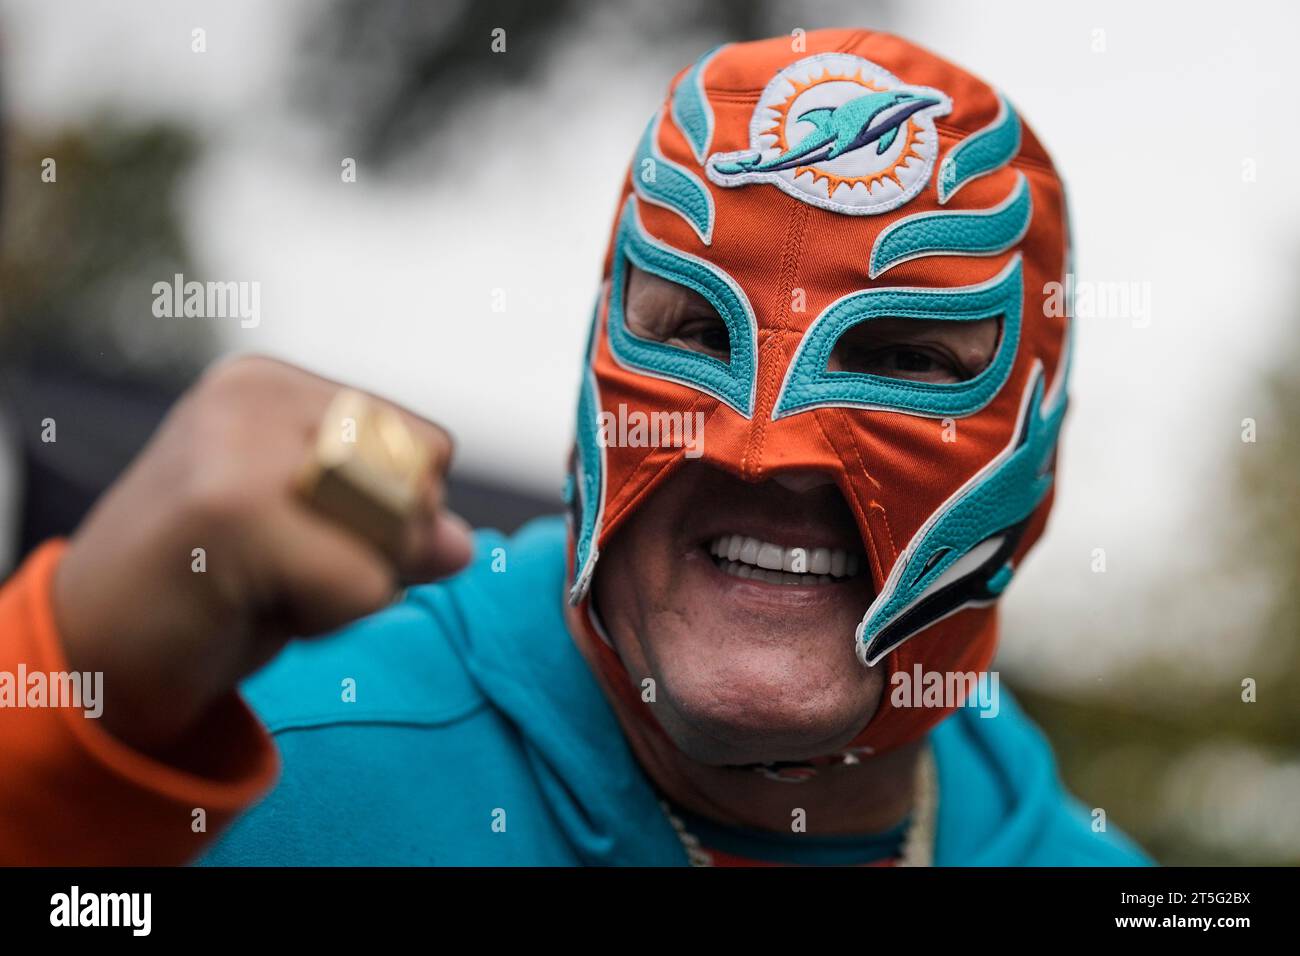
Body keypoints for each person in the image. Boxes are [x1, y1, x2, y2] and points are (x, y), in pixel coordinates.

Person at [0, 28, 1149, 866]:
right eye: (694, 332)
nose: (762, 448)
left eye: (901, 363)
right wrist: (54, 725)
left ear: (1040, 446)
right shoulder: (257, 774)